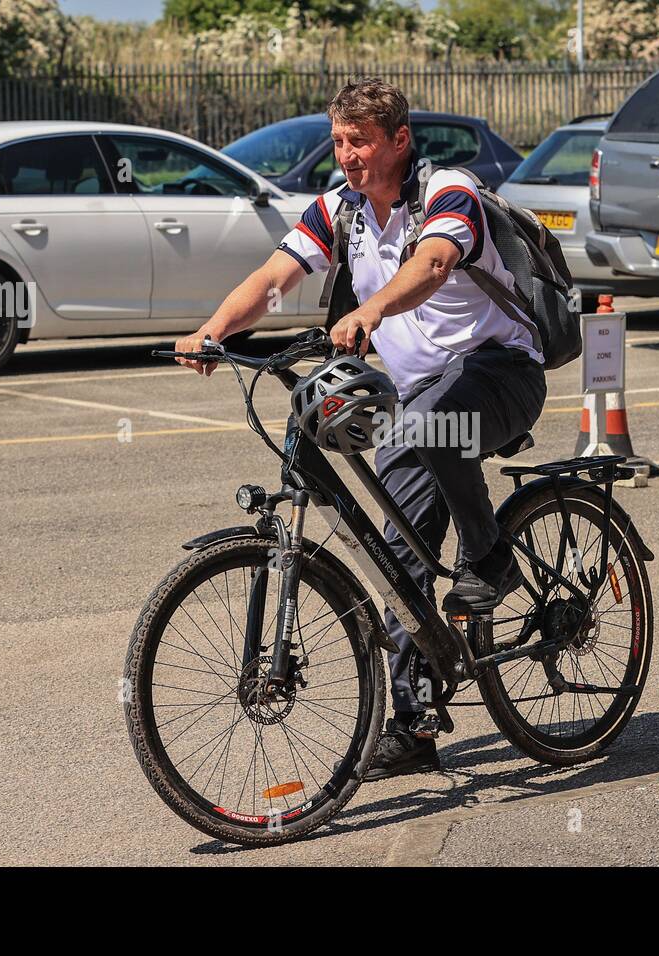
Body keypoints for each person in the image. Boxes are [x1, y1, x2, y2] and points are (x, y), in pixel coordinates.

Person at [174, 78, 546, 781]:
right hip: (417, 394)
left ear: (399, 141)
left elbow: (435, 262)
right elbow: (274, 276)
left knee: (437, 423)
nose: (347, 156)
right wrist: (213, 331)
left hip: (500, 372)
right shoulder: (339, 210)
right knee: (395, 555)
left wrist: (371, 310)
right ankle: (414, 725)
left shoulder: (447, 191)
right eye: (339, 141)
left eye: (361, 141)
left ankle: (490, 555)